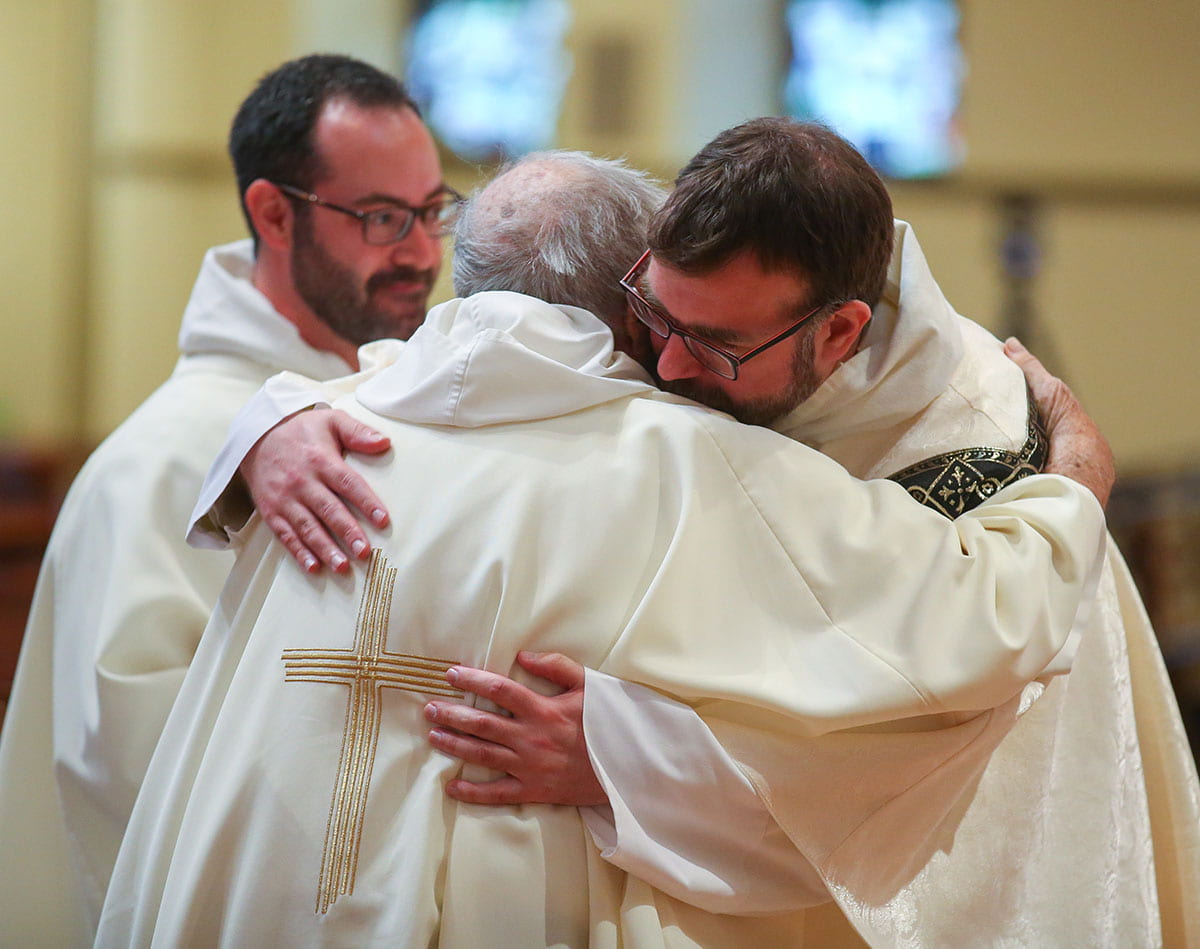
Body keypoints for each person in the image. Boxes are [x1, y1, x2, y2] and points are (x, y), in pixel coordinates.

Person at [96, 151, 1110, 947]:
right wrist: (1074, 483)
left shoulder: (319, 431)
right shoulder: (695, 461)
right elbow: (984, 615)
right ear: (634, 298)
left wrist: (266, 423)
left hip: (251, 888)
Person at [0, 53, 458, 944]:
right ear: (273, 213)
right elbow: (130, 771)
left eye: (434, 209)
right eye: (382, 217)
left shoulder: (386, 417)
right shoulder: (166, 461)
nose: (422, 252)